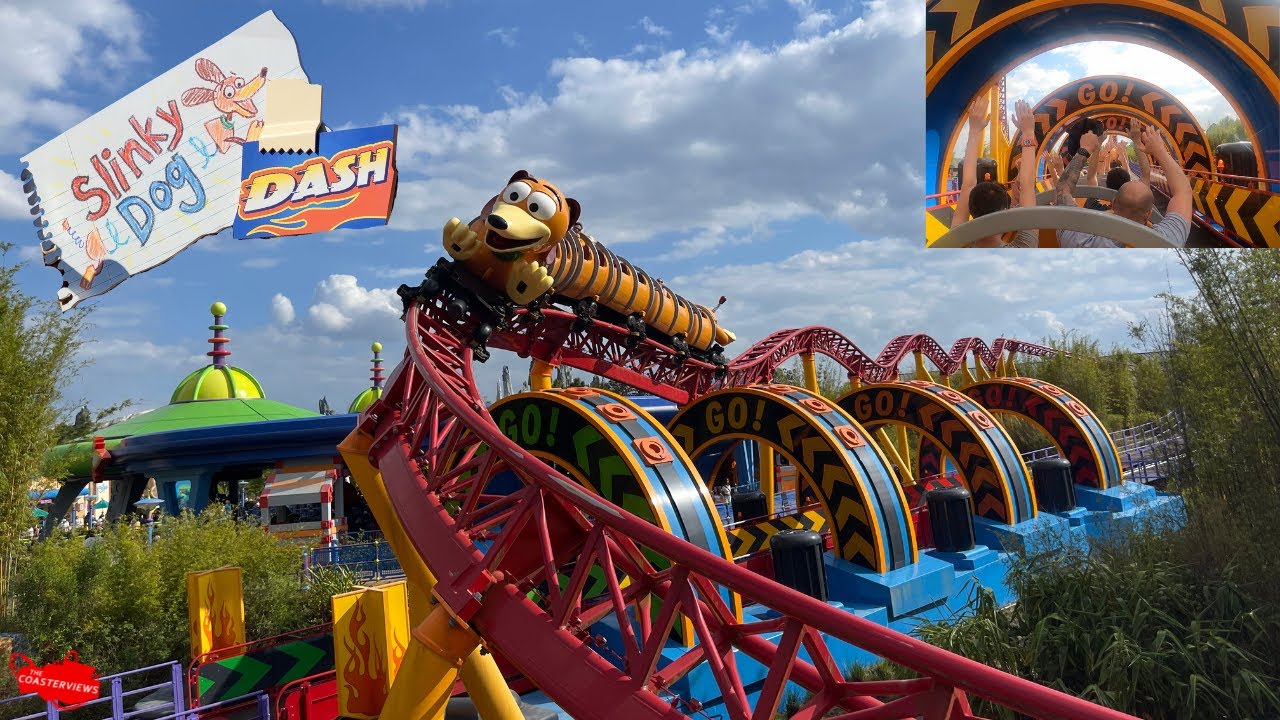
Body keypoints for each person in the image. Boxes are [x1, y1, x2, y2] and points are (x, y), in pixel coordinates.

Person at [1054, 125, 1192, 248]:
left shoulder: (1081, 243)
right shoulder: (1168, 241)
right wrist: (1158, 150)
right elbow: (1183, 191)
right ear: (1148, 213)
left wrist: (1085, 149)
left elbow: (1062, 190)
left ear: (1113, 204)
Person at [950, 95, 1038, 247]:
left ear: (971, 211)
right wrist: (1028, 132)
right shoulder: (1024, 247)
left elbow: (967, 185)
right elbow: (1027, 186)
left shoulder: (957, 244)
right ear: (1005, 213)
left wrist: (974, 130)